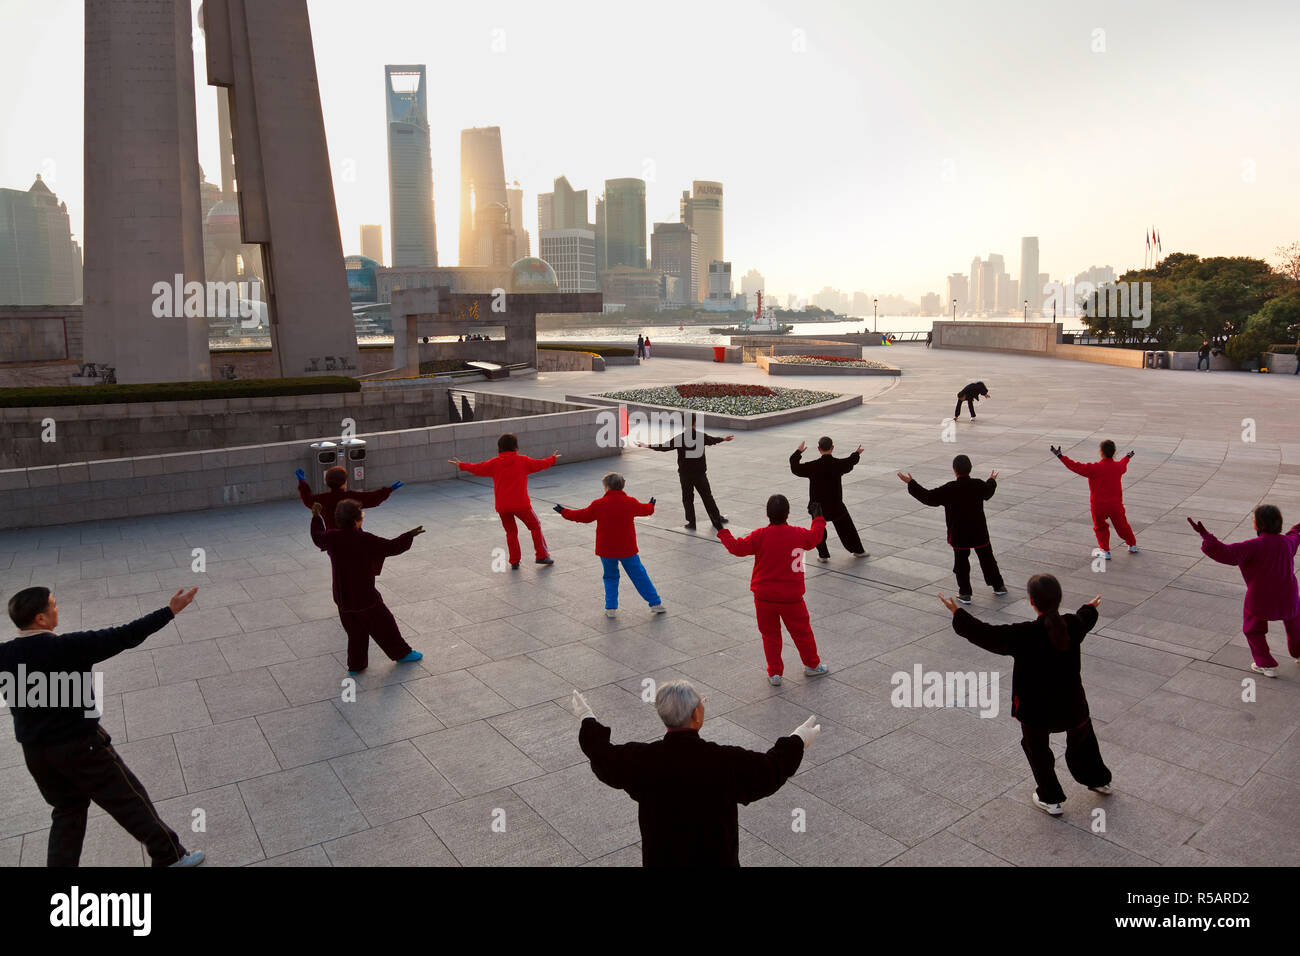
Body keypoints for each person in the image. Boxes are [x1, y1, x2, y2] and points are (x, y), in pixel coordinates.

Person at [3, 585, 205, 867]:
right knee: (129, 800)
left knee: (68, 811)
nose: (57, 608)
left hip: (36, 754)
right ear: (40, 618)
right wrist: (169, 611)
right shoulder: (68, 647)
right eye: (53, 604)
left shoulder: (4, 655)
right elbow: (125, 635)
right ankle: (169, 856)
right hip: (81, 747)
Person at [571, 680, 819, 866]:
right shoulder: (723, 761)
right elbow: (769, 771)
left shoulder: (642, 760)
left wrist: (587, 717)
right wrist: (797, 740)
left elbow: (603, 755)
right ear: (696, 715)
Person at [939, 575, 1112, 816]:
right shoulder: (1072, 624)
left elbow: (986, 634)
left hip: (1035, 710)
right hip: (1072, 705)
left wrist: (958, 613)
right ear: (1059, 599)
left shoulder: (1024, 634)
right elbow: (1085, 618)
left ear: (1032, 602)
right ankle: (1097, 779)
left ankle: (1051, 798)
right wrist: (1090, 607)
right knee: (1083, 741)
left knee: (1038, 749)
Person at [718, 496, 830, 685]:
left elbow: (737, 548)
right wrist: (818, 518)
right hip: (792, 598)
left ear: (767, 514)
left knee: (770, 635)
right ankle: (812, 665)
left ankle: (775, 673)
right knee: (802, 633)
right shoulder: (799, 534)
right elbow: (816, 537)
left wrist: (723, 532)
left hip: (764, 598)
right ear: (788, 513)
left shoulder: (760, 535)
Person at [310, 499, 426, 675]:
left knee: (355, 632)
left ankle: (356, 665)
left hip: (342, 597)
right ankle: (402, 653)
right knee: (385, 624)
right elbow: (391, 547)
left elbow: (318, 536)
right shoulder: (364, 539)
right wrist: (408, 536)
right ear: (357, 520)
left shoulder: (331, 537)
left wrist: (316, 518)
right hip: (364, 596)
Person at [1188, 506, 1300, 678]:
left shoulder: (1253, 546)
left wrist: (1205, 535)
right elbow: (1295, 535)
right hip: (1288, 596)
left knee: (1253, 629)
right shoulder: (1287, 543)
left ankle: (1266, 664)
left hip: (1260, 598)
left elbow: (1226, 553)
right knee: (1295, 624)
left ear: (1258, 524)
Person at [898, 454, 1006, 604]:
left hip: (959, 533)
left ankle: (965, 593)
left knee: (961, 563)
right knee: (987, 559)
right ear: (970, 469)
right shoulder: (978, 484)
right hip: (978, 532)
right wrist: (992, 480)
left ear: (955, 470)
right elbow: (988, 491)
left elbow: (928, 497)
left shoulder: (950, 488)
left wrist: (911, 483)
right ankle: (999, 586)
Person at [555, 472, 664, 617]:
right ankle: (655, 603)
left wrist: (564, 511)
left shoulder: (598, 504)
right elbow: (646, 510)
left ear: (606, 487)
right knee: (639, 575)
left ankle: (611, 608)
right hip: (627, 549)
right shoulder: (630, 502)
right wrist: (651, 505)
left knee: (610, 577)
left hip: (606, 550)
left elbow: (582, 516)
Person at [450, 434, 560, 569]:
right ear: (515, 446)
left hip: (502, 506)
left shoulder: (494, 463)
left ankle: (514, 561)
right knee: (535, 526)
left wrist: (461, 465)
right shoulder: (522, 461)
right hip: (521, 505)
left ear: (499, 447)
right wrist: (552, 459)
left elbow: (477, 468)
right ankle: (541, 555)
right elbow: (540, 464)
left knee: (511, 532)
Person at [635, 416, 733, 531]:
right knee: (707, 497)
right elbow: (712, 440)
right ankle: (716, 518)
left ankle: (691, 523)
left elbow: (664, 447)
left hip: (685, 474)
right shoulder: (701, 436)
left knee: (687, 498)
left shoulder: (680, 438)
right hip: (700, 474)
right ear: (695, 423)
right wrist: (724, 439)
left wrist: (647, 445)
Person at [1051, 440, 1138, 559]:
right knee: (1122, 526)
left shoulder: (1094, 468)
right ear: (1114, 452)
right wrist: (1128, 456)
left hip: (1098, 506)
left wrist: (1060, 456)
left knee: (1100, 527)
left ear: (1101, 452)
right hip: (1115, 505)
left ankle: (1105, 551)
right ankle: (1132, 544)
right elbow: (1123, 463)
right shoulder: (1118, 467)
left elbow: (1075, 466)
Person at [789, 437, 869, 562]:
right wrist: (857, 453)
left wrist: (798, 452)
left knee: (818, 530)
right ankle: (858, 550)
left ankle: (823, 554)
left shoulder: (813, 466)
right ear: (832, 448)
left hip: (818, 506)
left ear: (818, 449)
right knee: (847, 528)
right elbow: (850, 461)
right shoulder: (838, 465)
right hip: (836, 504)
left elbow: (795, 467)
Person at [297, 465, 403, 531]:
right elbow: (373, 498)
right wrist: (388, 490)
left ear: (327, 482)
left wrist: (302, 482)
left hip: (334, 539)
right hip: (354, 536)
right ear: (344, 482)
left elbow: (307, 499)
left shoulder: (323, 499)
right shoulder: (351, 496)